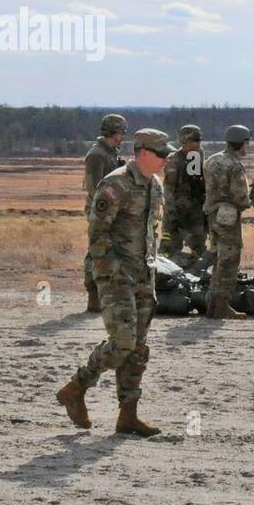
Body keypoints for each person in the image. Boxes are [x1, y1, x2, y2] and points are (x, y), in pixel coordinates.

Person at [56, 129, 171, 436]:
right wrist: (111, 271)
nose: (166, 160)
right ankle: (76, 388)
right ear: (143, 153)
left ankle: (128, 415)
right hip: (117, 277)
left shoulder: (155, 185)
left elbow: (153, 231)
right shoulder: (116, 183)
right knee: (123, 342)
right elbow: (97, 234)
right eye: (162, 154)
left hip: (145, 275)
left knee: (138, 348)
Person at [203, 124, 251, 319]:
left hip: (212, 213)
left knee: (217, 258)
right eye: (247, 143)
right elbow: (240, 196)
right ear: (241, 143)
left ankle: (213, 304)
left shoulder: (212, 160)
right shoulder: (234, 164)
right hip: (228, 216)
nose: (248, 147)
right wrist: (247, 202)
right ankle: (222, 305)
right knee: (229, 260)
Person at [82, 113, 127, 311]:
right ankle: (93, 295)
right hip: (100, 211)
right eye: (122, 132)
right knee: (96, 252)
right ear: (116, 132)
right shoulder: (97, 154)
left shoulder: (111, 152)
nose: (123, 136)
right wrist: (115, 194)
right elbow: (95, 187)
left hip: (111, 210)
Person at [159, 124, 206, 264]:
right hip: (176, 212)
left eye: (199, 140)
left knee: (199, 250)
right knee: (169, 250)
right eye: (195, 140)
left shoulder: (198, 155)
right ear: (185, 141)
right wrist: (172, 214)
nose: (199, 143)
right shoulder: (174, 160)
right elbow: (168, 189)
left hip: (195, 212)